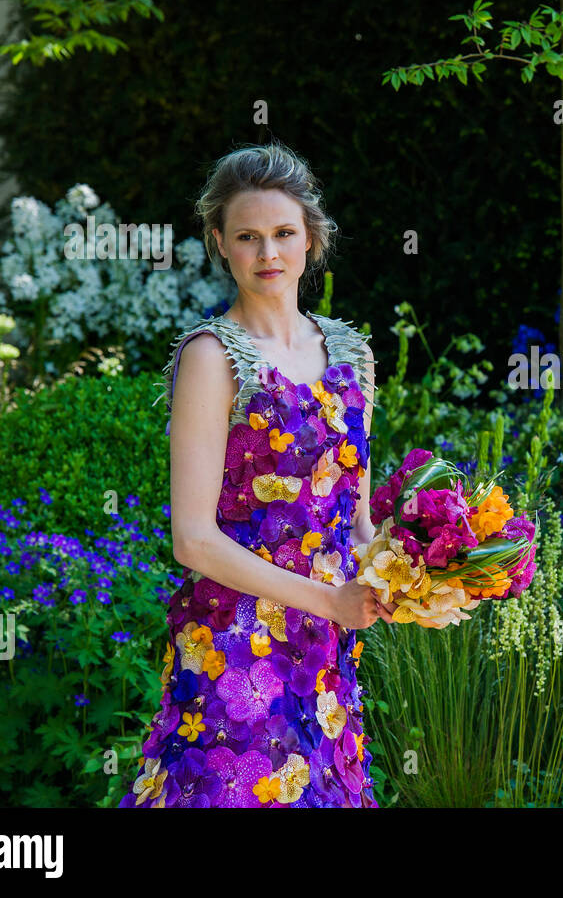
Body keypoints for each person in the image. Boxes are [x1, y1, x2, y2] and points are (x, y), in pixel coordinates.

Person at [120, 141, 394, 808]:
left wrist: (426, 566)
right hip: (233, 648)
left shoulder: (353, 355)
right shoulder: (212, 356)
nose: (268, 253)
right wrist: (329, 598)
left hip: (325, 656)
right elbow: (193, 538)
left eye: (282, 234)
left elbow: (353, 525)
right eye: (247, 236)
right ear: (219, 242)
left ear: (311, 240)